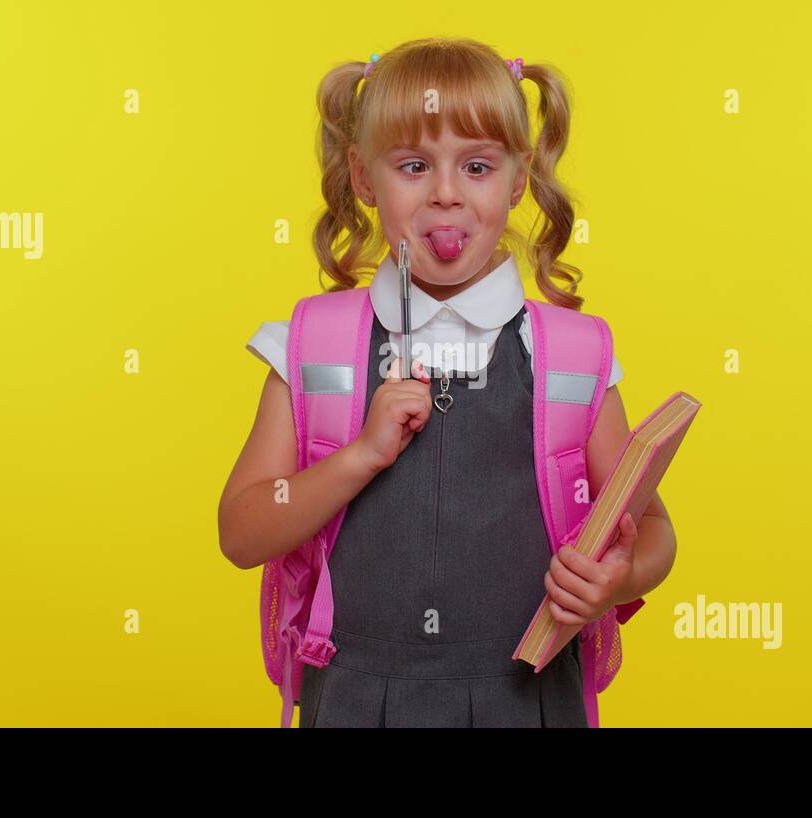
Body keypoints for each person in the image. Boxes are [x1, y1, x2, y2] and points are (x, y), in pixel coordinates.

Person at [219, 37, 678, 727]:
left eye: (477, 166)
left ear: (518, 179)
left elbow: (654, 531)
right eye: (412, 165)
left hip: (527, 702)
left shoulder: (575, 359)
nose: (444, 194)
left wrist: (621, 577)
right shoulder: (310, 348)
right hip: (353, 702)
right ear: (364, 178)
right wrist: (360, 456)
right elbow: (241, 533)